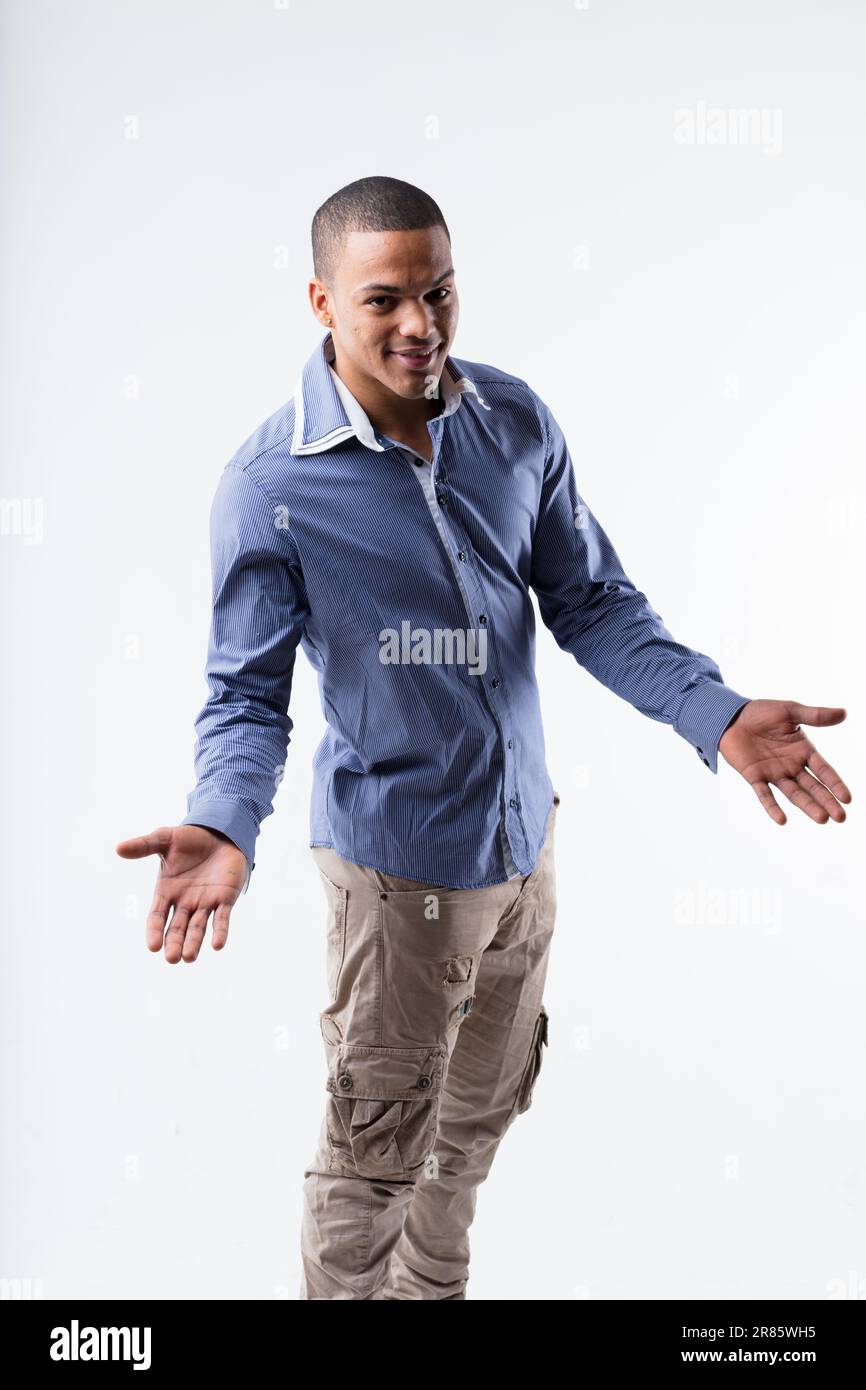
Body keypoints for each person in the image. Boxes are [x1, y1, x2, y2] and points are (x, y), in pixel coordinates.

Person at [116, 175, 852, 1300]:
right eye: (384, 301)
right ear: (321, 301)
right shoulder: (268, 487)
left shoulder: (512, 420)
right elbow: (245, 698)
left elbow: (592, 602)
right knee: (375, 1158)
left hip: (523, 856)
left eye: (440, 290)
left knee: (470, 1130)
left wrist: (714, 713)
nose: (421, 324)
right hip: (396, 874)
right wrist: (221, 821)